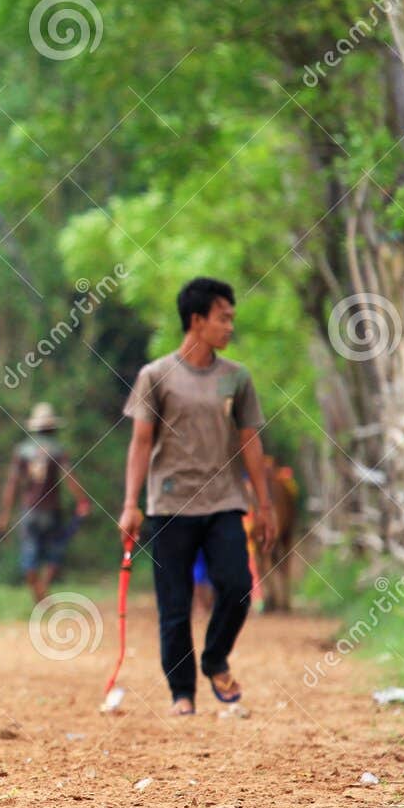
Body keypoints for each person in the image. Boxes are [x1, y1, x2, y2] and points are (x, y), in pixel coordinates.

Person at [119, 277, 276, 716]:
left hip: (224, 501)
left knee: (238, 585)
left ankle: (215, 658)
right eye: (223, 318)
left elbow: (250, 443)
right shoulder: (156, 376)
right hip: (169, 506)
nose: (229, 327)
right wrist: (131, 505)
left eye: (231, 318)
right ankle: (181, 693)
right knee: (175, 603)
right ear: (197, 320)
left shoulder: (237, 378)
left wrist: (264, 507)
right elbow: (140, 443)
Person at [0, 402, 91, 602]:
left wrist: (4, 513)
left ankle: (38, 594)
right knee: (54, 552)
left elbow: (12, 483)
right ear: (52, 427)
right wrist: (82, 500)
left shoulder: (22, 451)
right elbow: (69, 477)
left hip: (29, 509)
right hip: (51, 509)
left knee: (29, 552)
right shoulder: (57, 449)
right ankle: (43, 590)